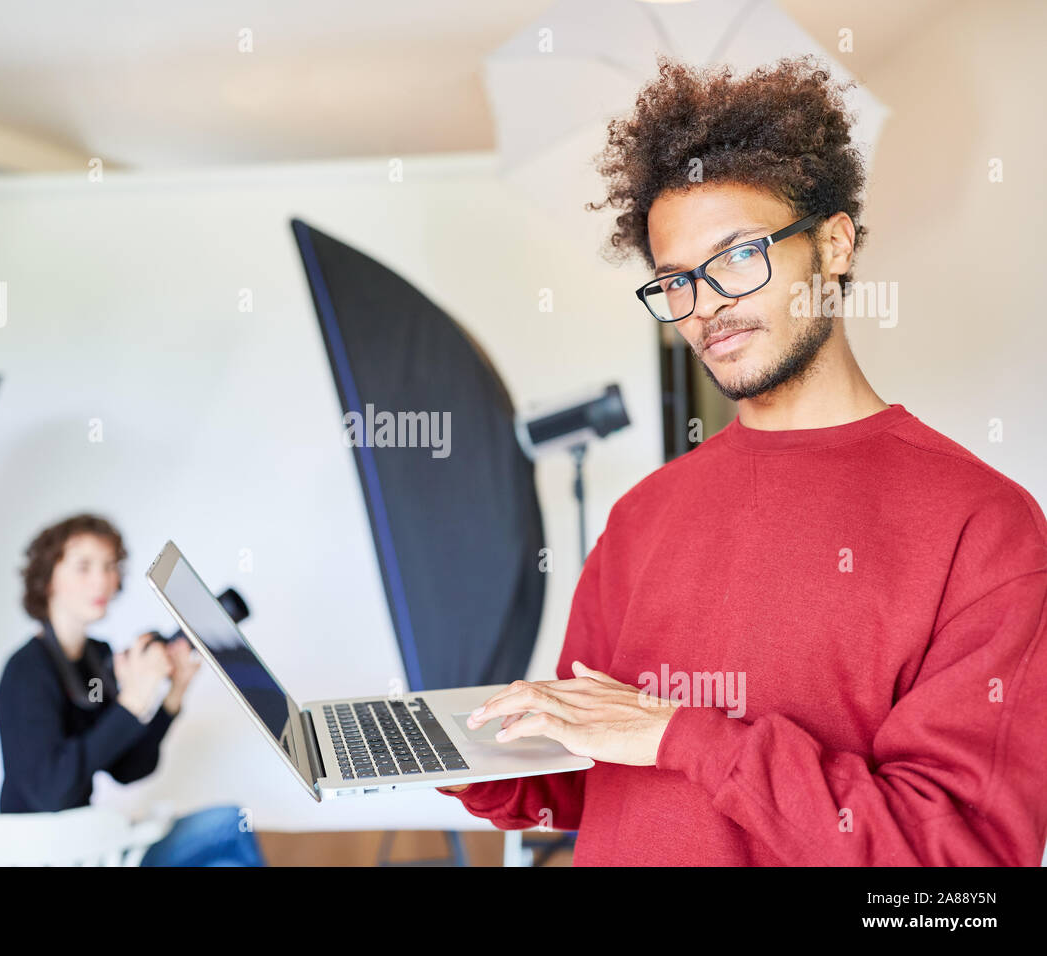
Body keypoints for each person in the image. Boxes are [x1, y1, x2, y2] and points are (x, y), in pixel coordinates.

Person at [439, 55, 1047, 865]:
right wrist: (467, 751)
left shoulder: (985, 529)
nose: (707, 307)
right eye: (676, 282)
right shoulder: (641, 516)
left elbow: (954, 867)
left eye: (736, 257)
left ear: (833, 245)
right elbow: (590, 775)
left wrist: (685, 736)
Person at [0, 513, 265, 867]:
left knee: (228, 836)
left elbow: (128, 768)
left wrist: (171, 696)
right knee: (227, 827)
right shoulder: (27, 672)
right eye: (84, 566)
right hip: (44, 854)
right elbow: (52, 793)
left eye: (110, 566)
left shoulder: (96, 658)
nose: (103, 580)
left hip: (89, 846)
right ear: (47, 578)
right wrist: (131, 701)